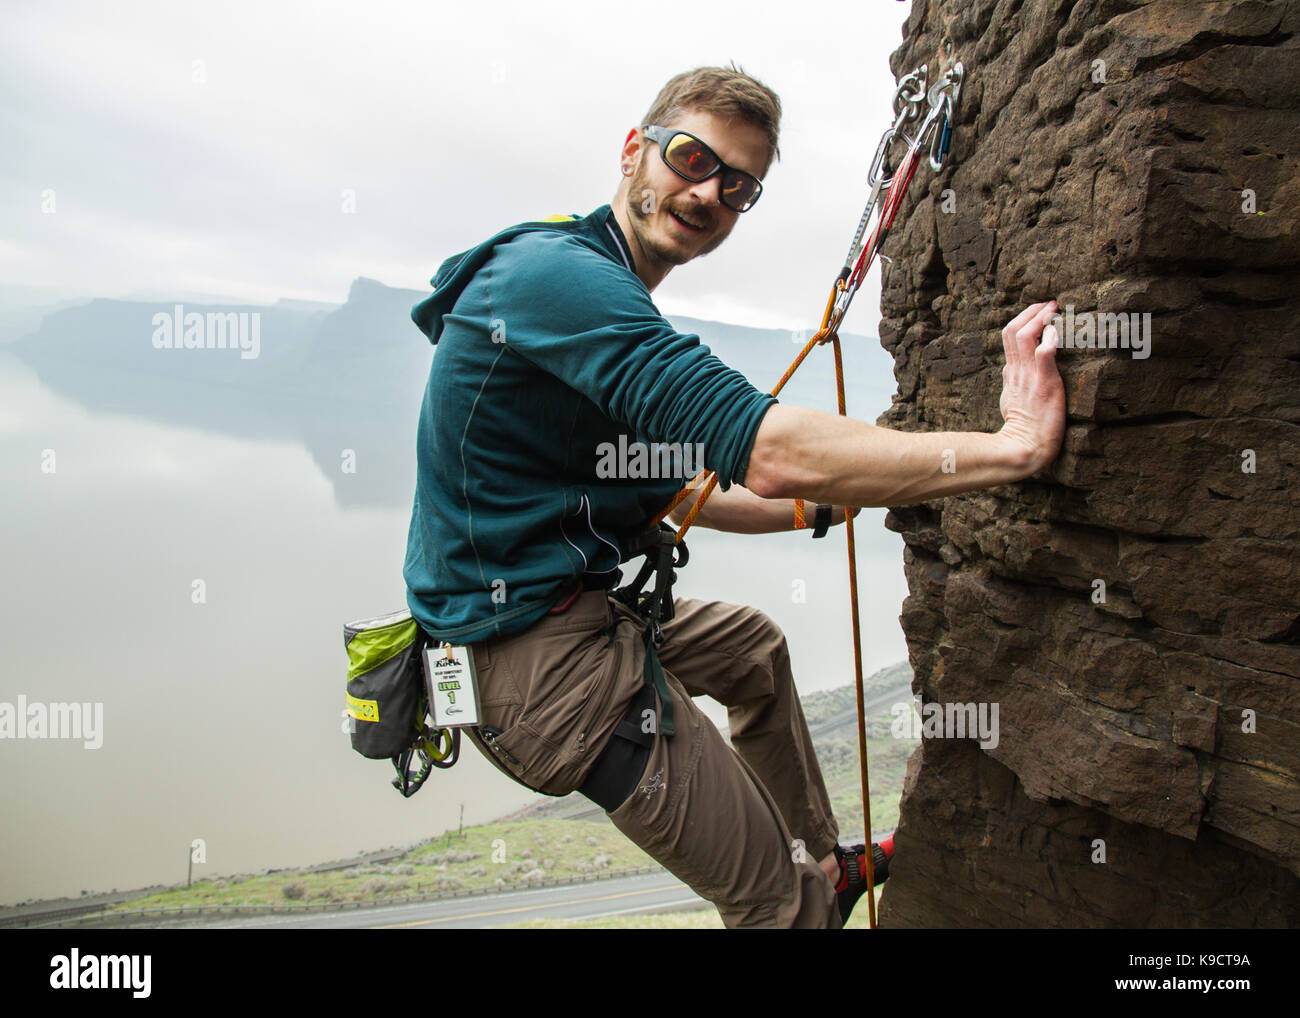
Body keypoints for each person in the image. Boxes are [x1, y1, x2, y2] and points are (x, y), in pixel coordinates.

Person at [404, 64, 1066, 929]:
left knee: (754, 649)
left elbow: (686, 488)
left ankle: (822, 863)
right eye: (691, 158)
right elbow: (768, 453)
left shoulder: (592, 285)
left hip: (557, 621)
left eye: (738, 185)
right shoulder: (554, 280)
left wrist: (834, 503)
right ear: (634, 151)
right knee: (774, 909)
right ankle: (803, 896)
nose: (708, 191)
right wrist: (1010, 449)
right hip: (535, 673)